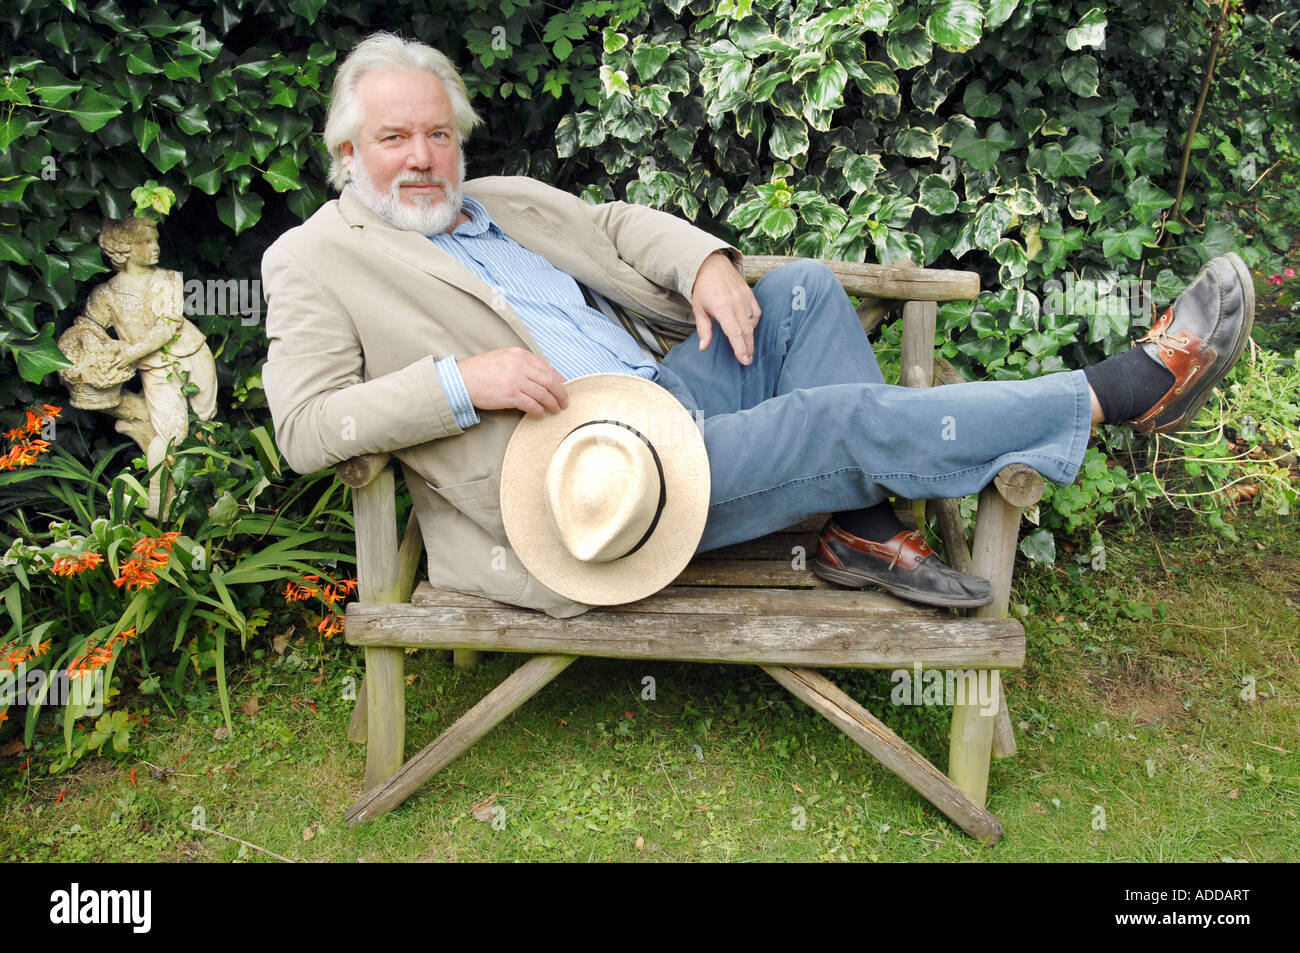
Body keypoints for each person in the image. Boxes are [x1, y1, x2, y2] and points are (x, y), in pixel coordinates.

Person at [261, 33, 1254, 619]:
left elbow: (613, 227)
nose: (423, 157)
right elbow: (306, 427)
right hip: (586, 484)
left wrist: (704, 261)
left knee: (805, 289)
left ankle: (857, 533)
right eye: (395, 137)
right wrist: (459, 383)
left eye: (439, 133)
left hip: (669, 397)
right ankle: (1123, 390)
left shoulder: (503, 201)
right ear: (347, 151)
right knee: (831, 419)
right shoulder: (314, 258)